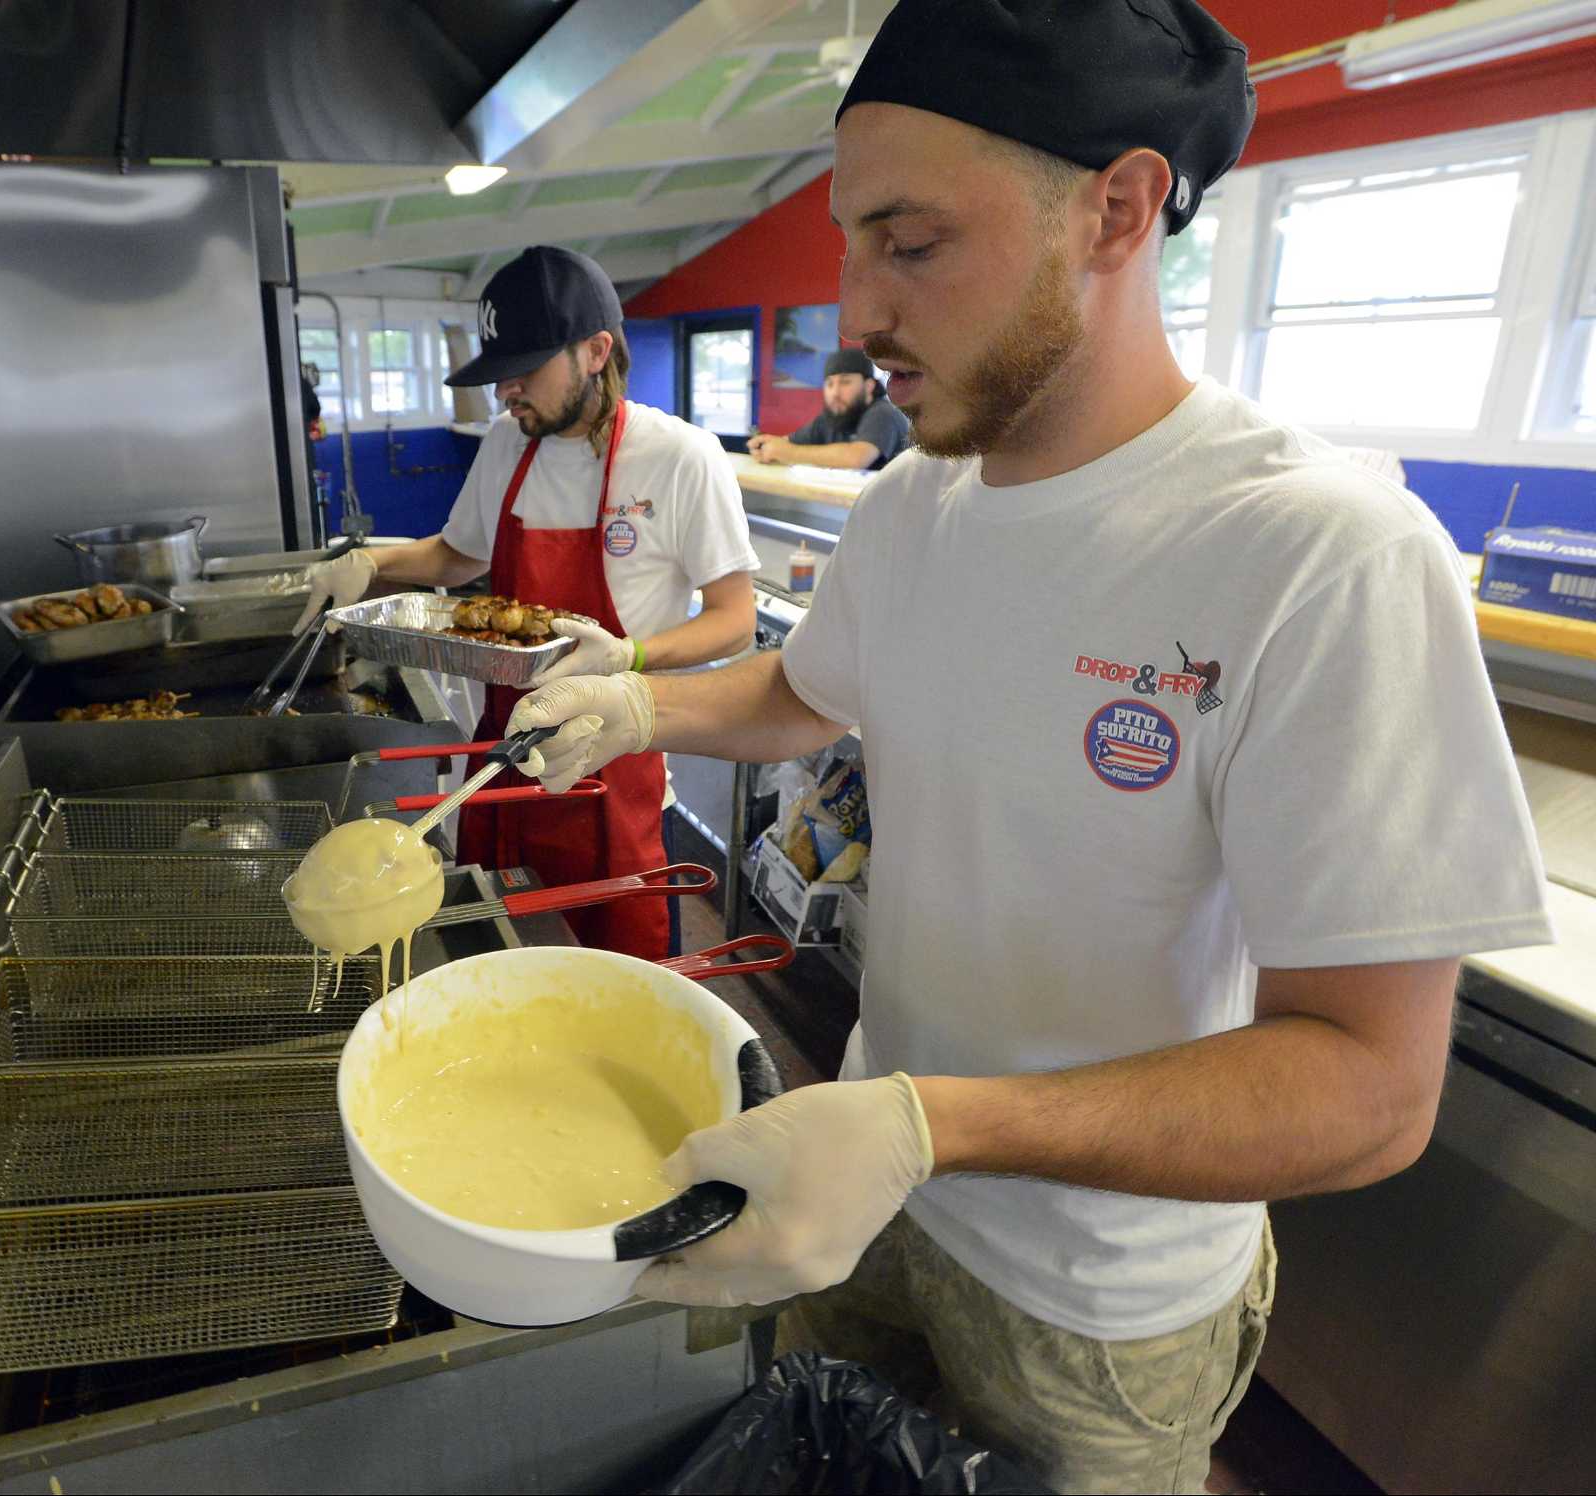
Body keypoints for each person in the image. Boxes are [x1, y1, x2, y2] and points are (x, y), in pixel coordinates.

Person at [496, 3, 1551, 1491]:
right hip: (864, 1202)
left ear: (1116, 210)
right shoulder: (921, 505)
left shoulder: (1316, 553)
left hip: (1094, 1304)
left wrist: (933, 1127)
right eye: (850, 241)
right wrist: (643, 704)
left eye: (911, 243)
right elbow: (810, 691)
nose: (855, 308)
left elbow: (1373, 1090)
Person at [296, 245, 759, 960]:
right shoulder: (508, 446)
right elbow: (456, 556)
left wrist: (633, 655)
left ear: (596, 351)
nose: (505, 393)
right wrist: (368, 565)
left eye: (525, 371)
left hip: (615, 766)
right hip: (500, 760)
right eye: (499, 374)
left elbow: (736, 621)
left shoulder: (680, 456)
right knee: (501, 957)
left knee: (617, 987)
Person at [747, 348, 909, 470]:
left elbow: (857, 458)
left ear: (868, 386)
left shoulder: (883, 412)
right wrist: (765, 447)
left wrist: (787, 452)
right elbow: (786, 444)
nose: (835, 392)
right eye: (830, 384)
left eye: (845, 382)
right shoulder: (831, 417)